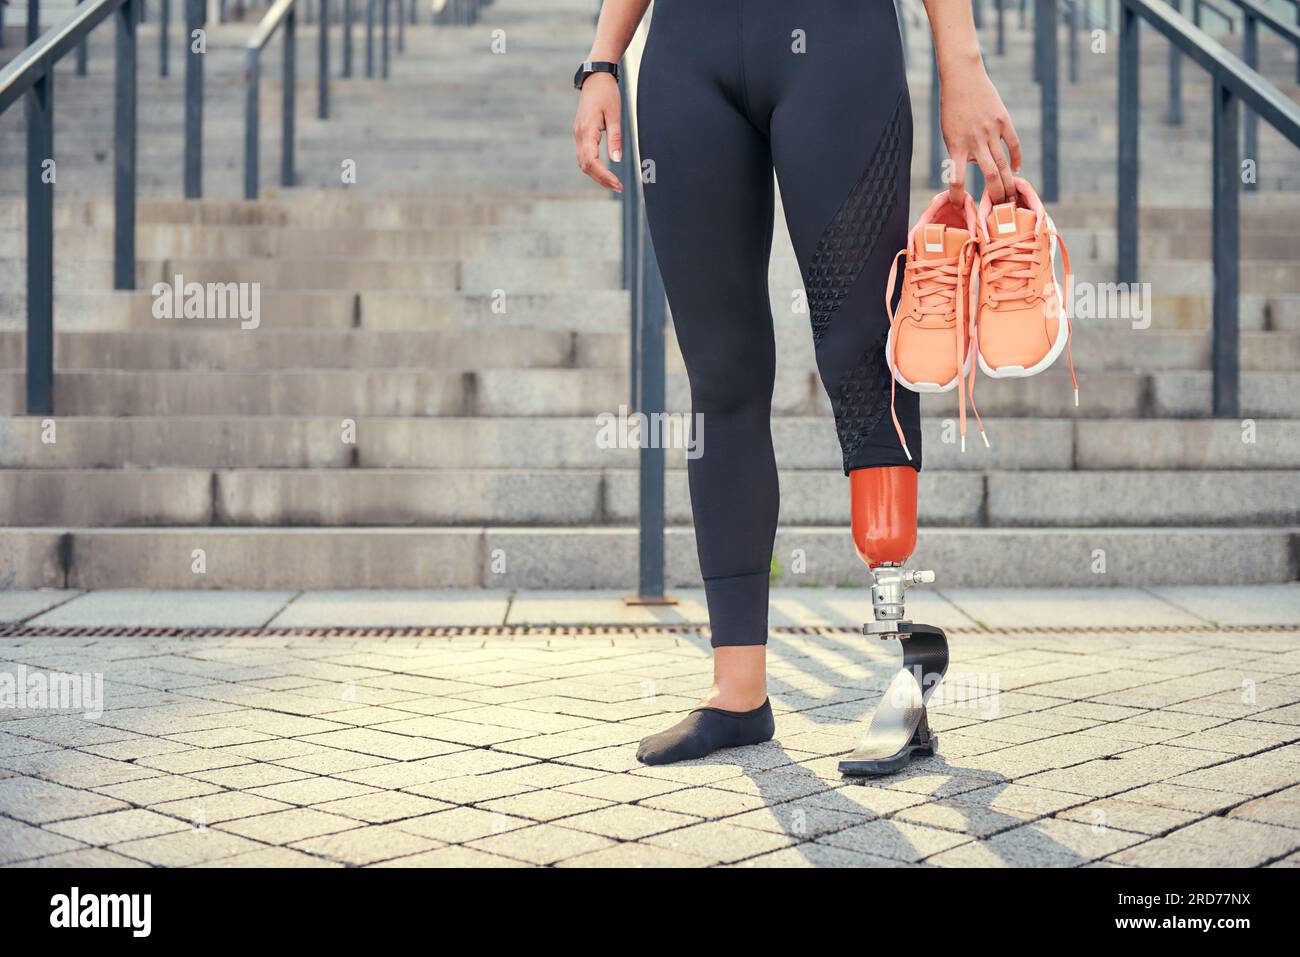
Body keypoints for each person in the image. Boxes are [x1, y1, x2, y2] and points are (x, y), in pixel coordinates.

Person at [573, 0, 1022, 765]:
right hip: (686, 57)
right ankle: (737, 693)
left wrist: (963, 63)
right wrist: (603, 59)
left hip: (838, 45)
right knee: (721, 371)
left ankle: (907, 673)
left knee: (864, 350)